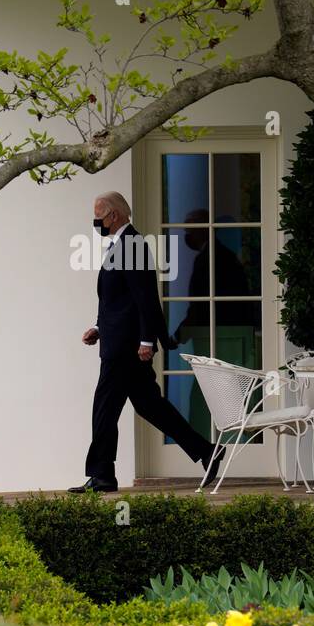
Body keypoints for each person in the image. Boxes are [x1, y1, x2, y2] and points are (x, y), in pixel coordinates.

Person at [73, 192, 224, 493]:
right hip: (119, 340)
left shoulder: (132, 245)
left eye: (98, 217)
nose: (96, 223)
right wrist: (98, 327)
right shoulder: (122, 245)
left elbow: (145, 297)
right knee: (150, 406)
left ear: (113, 216)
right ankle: (207, 451)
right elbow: (119, 300)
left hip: (125, 348)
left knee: (104, 407)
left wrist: (146, 340)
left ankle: (102, 475)